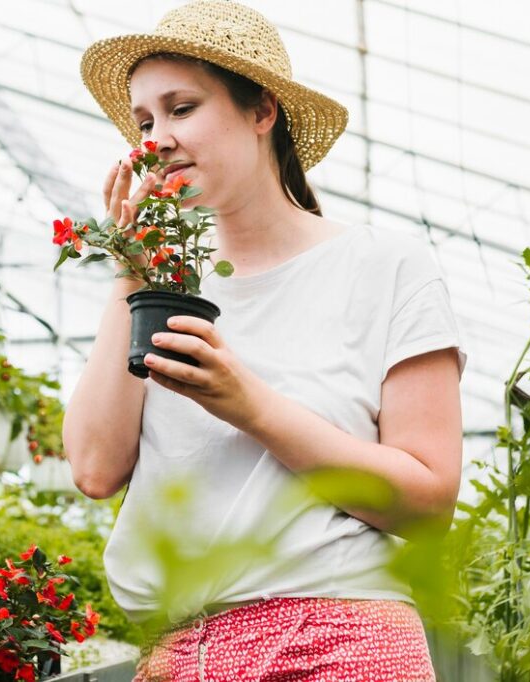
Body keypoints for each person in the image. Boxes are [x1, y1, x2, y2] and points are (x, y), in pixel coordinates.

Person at [63, 1, 467, 680]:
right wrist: (130, 276)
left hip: (341, 645)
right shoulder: (163, 294)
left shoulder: (386, 267)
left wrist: (248, 404)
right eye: (143, 121)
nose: (155, 138)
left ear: (263, 111)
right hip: (178, 655)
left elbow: (427, 502)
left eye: (181, 107)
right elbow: (95, 468)